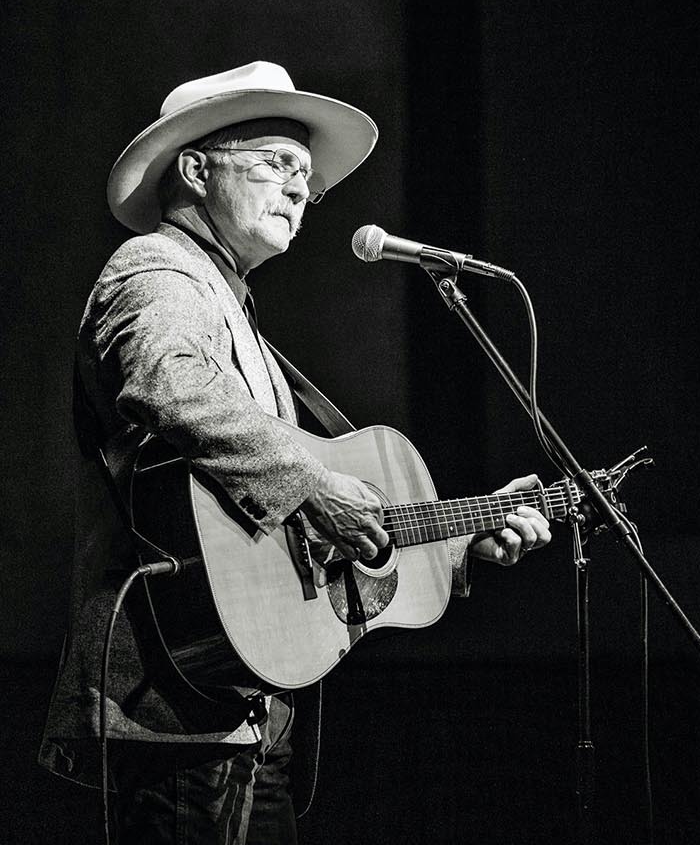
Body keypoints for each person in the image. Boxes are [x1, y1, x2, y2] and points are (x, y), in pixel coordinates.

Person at [40, 61, 553, 843]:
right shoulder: (157, 269)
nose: (299, 192)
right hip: (178, 708)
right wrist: (316, 485)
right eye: (278, 164)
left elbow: (299, 528)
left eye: (307, 180)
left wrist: (457, 541)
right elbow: (166, 385)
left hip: (245, 714)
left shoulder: (233, 306)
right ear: (195, 169)